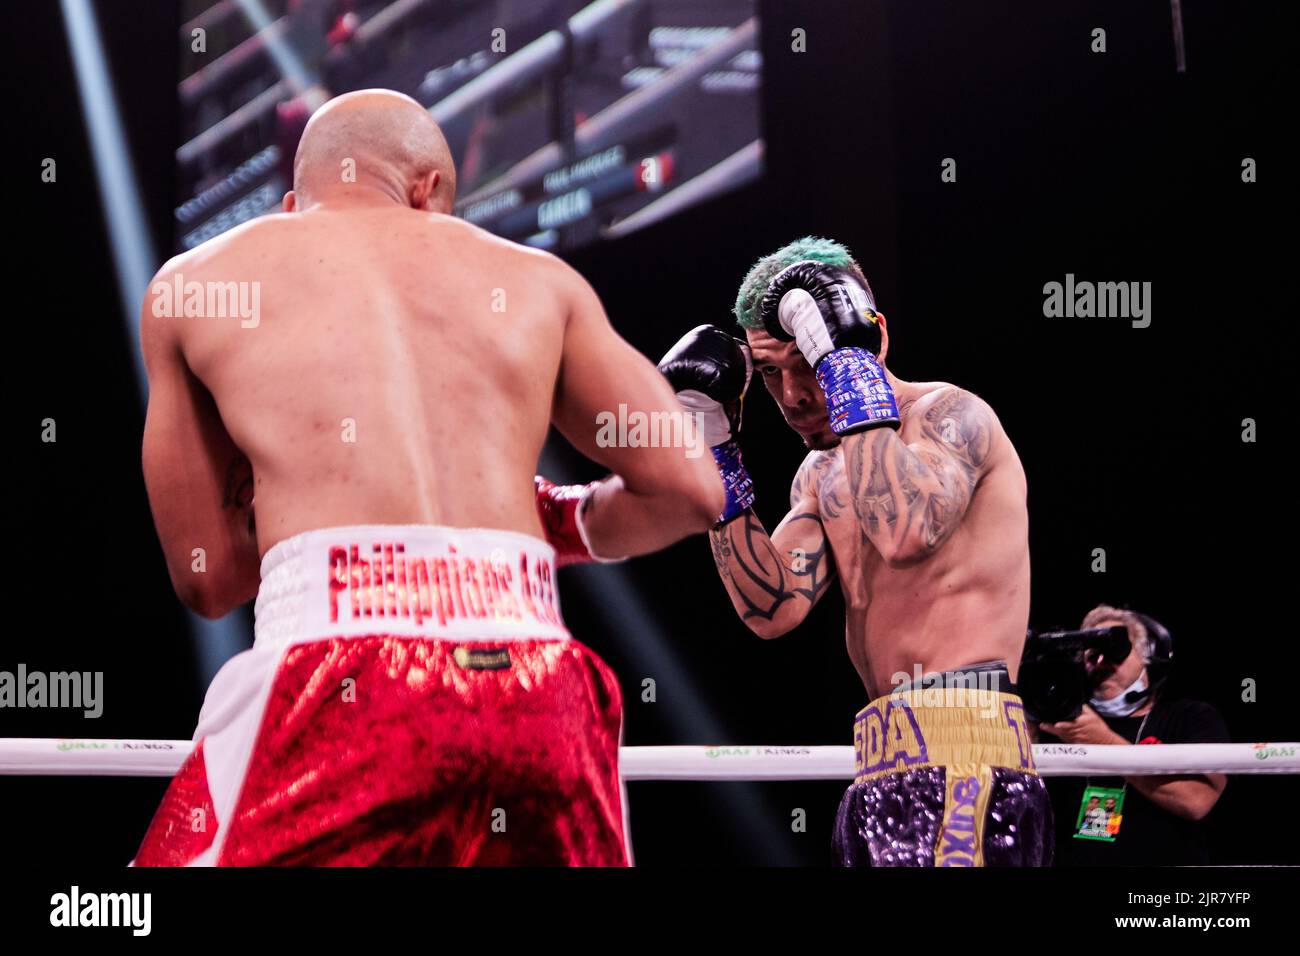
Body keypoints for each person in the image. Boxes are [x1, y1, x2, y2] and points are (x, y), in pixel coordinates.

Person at [132, 89, 723, 866]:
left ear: (290, 203)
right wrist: (561, 522)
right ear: (429, 192)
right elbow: (693, 491)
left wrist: (271, 501)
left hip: (338, 680)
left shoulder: (197, 284)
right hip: (539, 686)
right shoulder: (541, 282)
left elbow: (206, 581)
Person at [659, 236, 1052, 866]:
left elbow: (903, 530)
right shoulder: (819, 474)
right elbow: (771, 606)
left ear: (870, 338)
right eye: (768, 374)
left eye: (808, 361)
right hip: (876, 762)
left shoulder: (953, 417)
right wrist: (717, 457)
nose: (791, 395)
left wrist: (845, 361)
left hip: (965, 751)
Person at [1038, 605, 1228, 865]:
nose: (1101, 662)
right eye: (1091, 654)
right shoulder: (1062, 724)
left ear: (1146, 656)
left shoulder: (1191, 716)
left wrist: (1105, 742)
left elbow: (1196, 802)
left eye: (1114, 650)